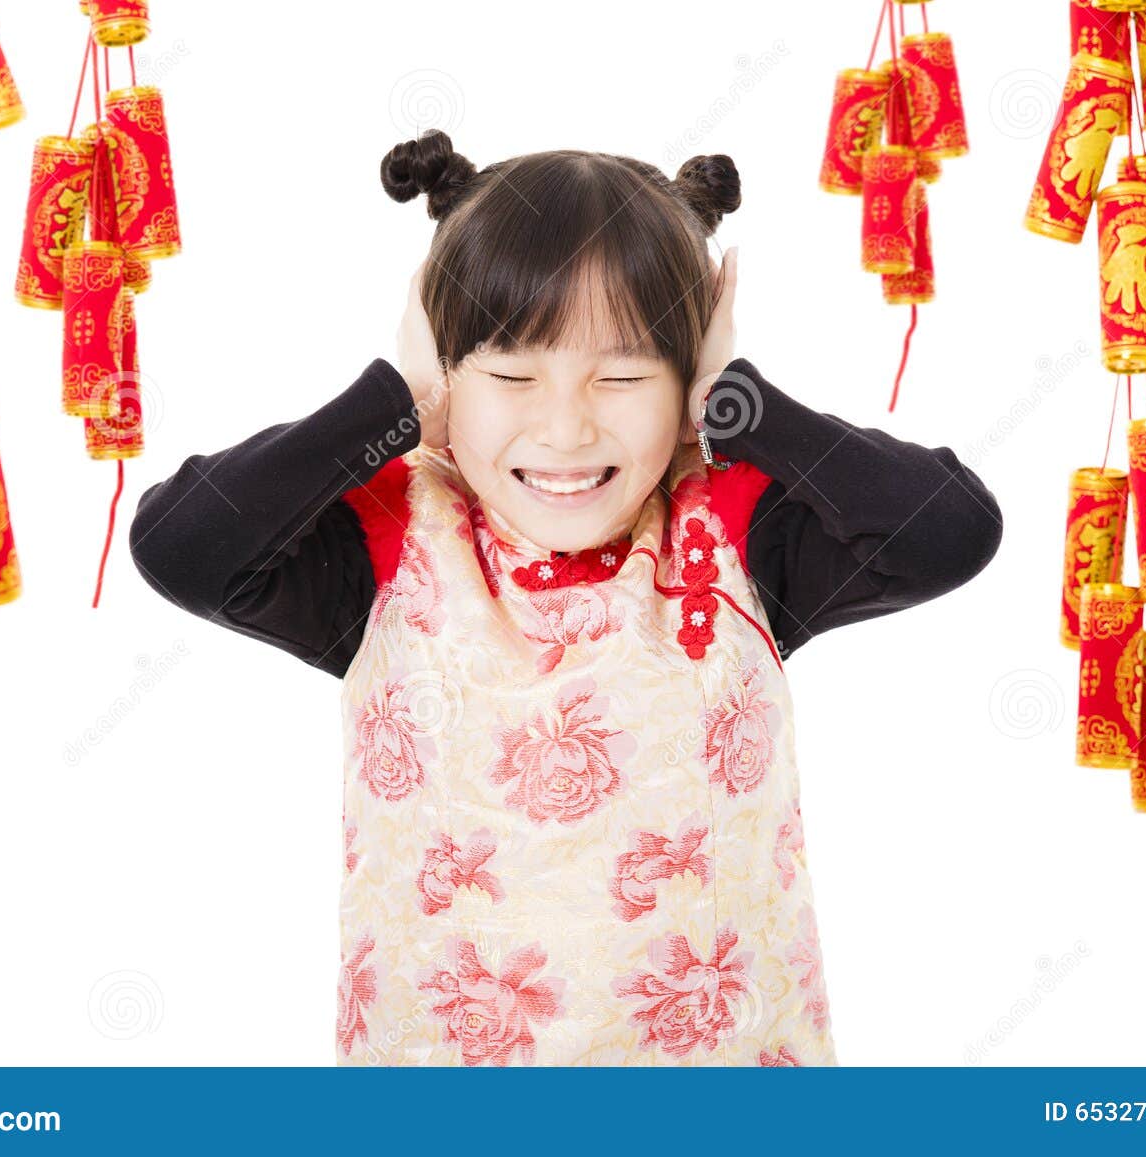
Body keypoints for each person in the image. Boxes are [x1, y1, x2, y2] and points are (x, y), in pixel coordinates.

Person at [129, 130, 1003, 1065]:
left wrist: (742, 402)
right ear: (446, 377)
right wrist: (391, 397)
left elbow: (950, 530)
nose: (566, 425)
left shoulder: (736, 530)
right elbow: (182, 545)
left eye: (623, 377)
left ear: (687, 390)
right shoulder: (391, 543)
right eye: (510, 375)